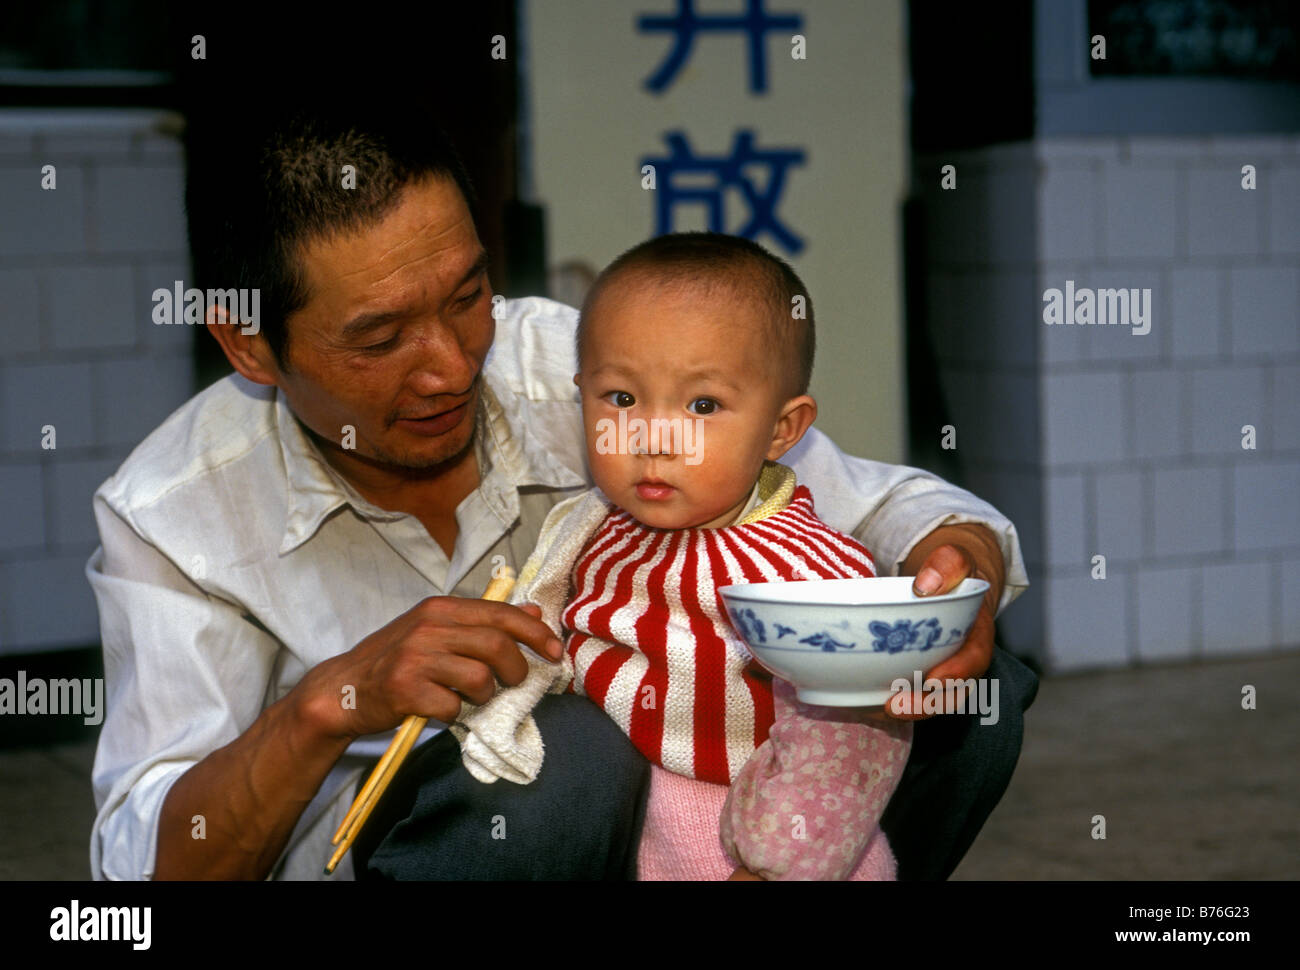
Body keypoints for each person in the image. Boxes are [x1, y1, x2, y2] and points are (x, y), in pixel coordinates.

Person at [86, 104, 1032, 881]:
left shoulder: (575, 368)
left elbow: (884, 506)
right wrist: (335, 699)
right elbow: (147, 868)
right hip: (411, 858)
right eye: (380, 340)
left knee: (967, 685)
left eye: (466, 296)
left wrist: (961, 554)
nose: (453, 367)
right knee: (568, 760)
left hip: (686, 839)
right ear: (249, 345)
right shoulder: (176, 514)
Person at [444, 231, 916, 881]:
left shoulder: (805, 571)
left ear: (783, 428)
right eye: (621, 399)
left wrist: (778, 864)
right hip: (649, 824)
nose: (654, 439)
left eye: (702, 405)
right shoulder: (593, 530)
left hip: (772, 836)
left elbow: (849, 741)